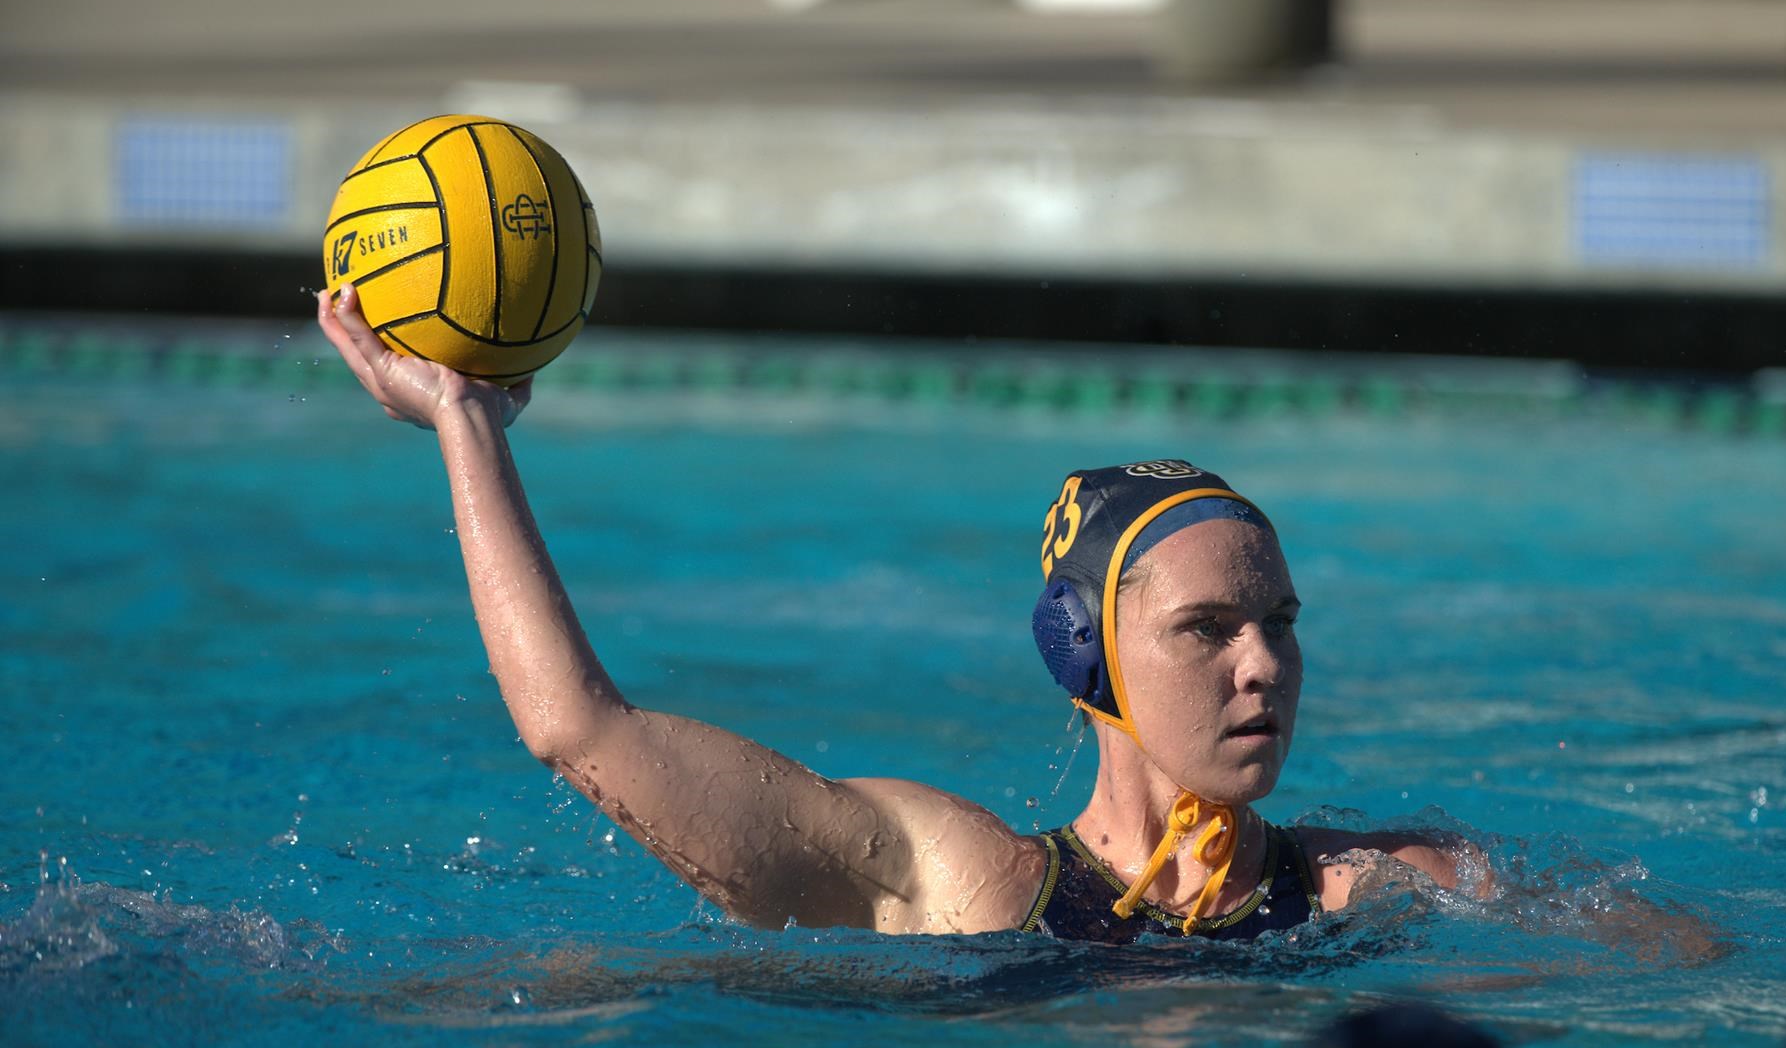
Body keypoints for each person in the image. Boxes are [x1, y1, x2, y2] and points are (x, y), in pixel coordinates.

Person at [315, 284, 1479, 943]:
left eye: (1282, 621)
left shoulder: (1383, 888)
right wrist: (465, 425)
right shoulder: (970, 887)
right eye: (1208, 628)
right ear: (1085, 654)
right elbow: (582, 732)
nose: (1264, 664)